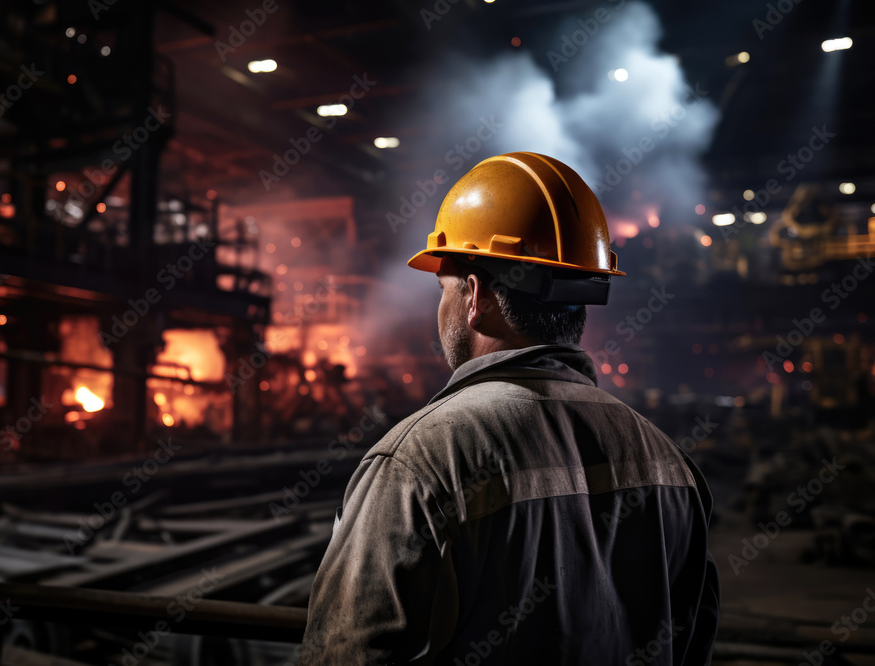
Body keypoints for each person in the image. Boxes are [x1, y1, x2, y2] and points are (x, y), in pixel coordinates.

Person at [300, 152, 719, 664]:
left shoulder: (421, 461)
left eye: (444, 289)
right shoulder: (669, 461)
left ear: (474, 296)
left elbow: (348, 656)